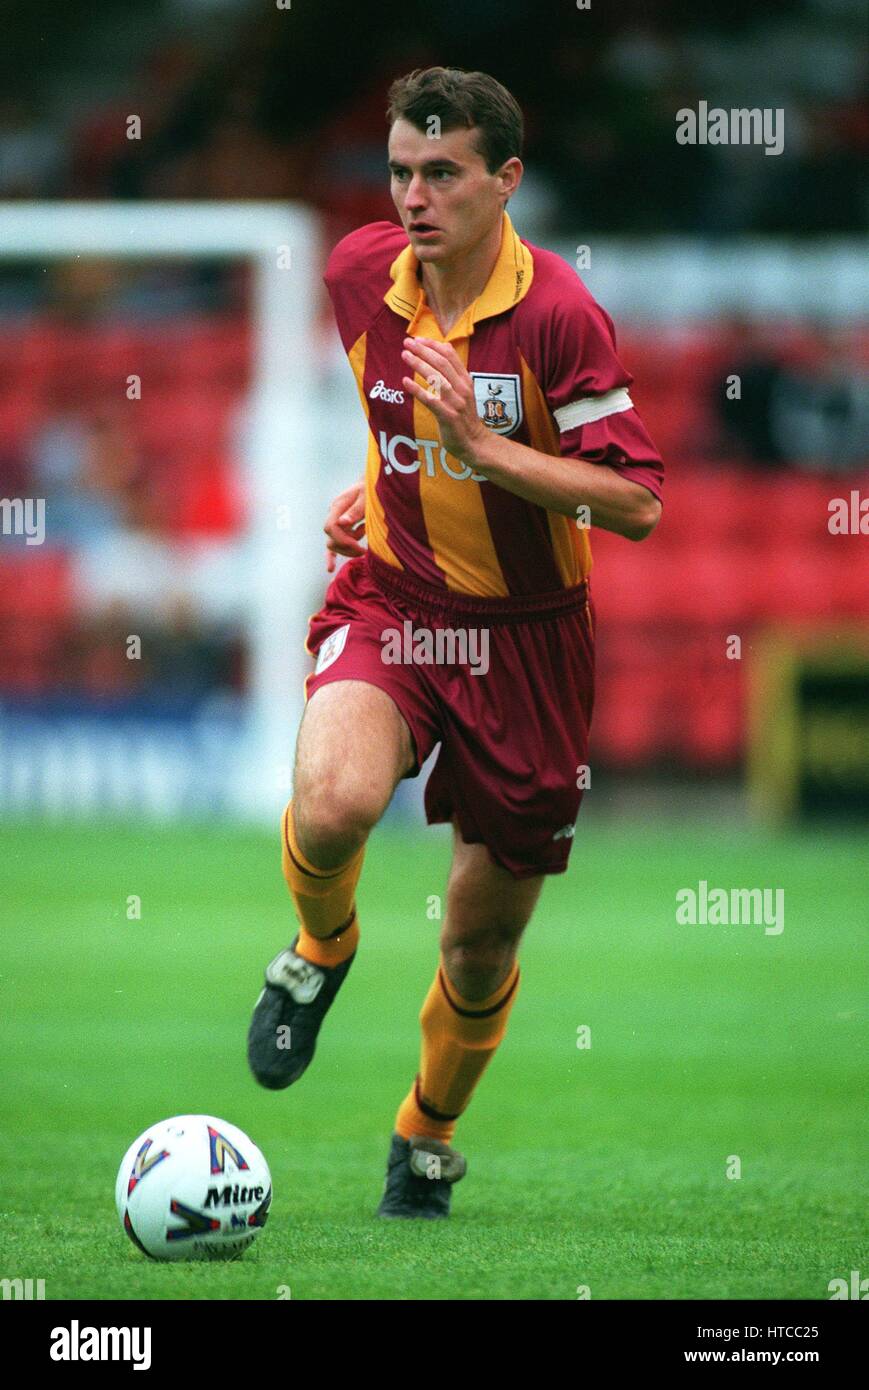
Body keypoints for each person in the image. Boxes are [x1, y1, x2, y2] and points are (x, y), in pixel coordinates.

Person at [247, 66, 664, 1218]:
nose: (414, 197)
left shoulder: (558, 315)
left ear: (503, 180)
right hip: (392, 604)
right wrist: (379, 485)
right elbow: (394, 423)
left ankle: (423, 1133)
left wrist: (484, 453)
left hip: (527, 646)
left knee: (477, 941)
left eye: (441, 173)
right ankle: (318, 952)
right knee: (330, 804)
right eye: (398, 171)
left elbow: (633, 501)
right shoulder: (356, 277)